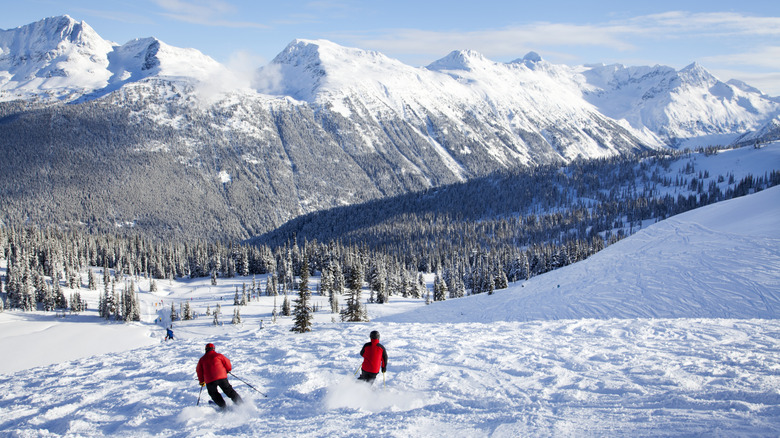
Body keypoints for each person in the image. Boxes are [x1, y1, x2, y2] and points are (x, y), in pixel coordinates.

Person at [196, 343, 243, 410]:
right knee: (229, 391)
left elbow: (199, 371)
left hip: (210, 380)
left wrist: (201, 381)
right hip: (222, 377)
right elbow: (227, 362)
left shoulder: (202, 359)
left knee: (214, 394)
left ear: (206, 350)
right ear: (213, 349)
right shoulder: (218, 355)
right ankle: (241, 404)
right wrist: (228, 369)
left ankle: (223, 407)